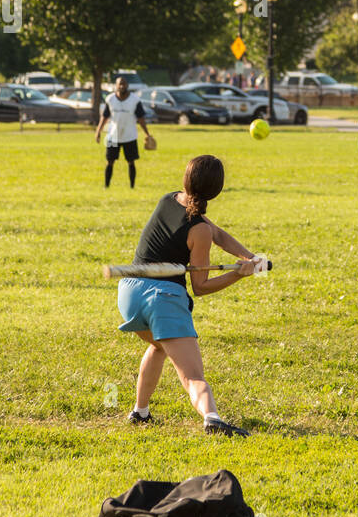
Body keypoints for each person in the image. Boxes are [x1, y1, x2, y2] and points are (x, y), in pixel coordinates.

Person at [120, 154, 261, 436]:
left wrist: (249, 257)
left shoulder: (169, 199)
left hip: (130, 294)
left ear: (186, 180)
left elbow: (216, 232)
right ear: (216, 191)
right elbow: (201, 286)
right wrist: (238, 273)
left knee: (159, 345)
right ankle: (212, 419)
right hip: (162, 299)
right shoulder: (199, 231)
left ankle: (140, 412)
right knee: (193, 376)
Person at [95, 77, 153, 189]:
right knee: (110, 161)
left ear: (127, 85)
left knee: (131, 161)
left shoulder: (135, 100)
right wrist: (98, 131)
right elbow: (105, 116)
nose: (122, 86)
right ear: (116, 85)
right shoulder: (110, 99)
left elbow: (141, 118)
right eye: (119, 84)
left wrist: (147, 133)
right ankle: (106, 186)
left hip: (129, 135)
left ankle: (132, 186)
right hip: (113, 135)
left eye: (124, 84)